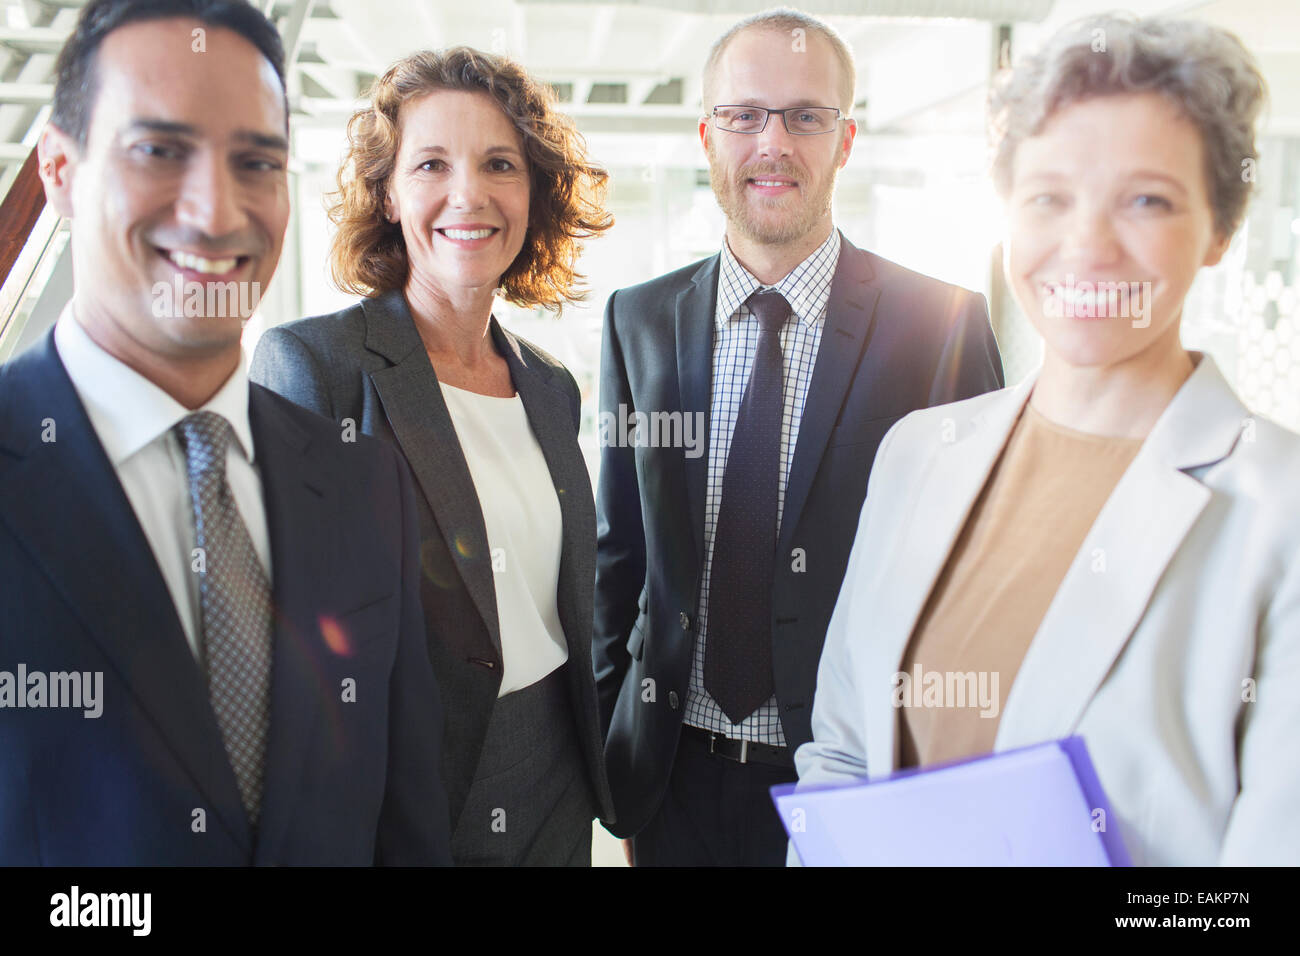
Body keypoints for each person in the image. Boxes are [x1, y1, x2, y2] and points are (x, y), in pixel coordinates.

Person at [796, 14, 1300, 865]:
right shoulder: (919, 454)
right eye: (1048, 197)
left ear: (1220, 230)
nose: (1087, 245)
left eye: (1147, 199)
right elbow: (841, 757)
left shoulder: (1277, 510)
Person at [0, 0, 451, 865]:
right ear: (59, 168)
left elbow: (406, 822)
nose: (215, 212)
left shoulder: (362, 483)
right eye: (160, 150)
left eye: (256, 161)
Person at [593, 7, 1005, 867]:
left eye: (805, 116)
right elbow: (617, 562)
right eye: (744, 115)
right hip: (676, 783)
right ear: (708, 135)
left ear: (844, 141)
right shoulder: (640, 318)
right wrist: (617, 755)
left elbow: (978, 591)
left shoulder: (943, 326)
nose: (772, 142)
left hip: (855, 785)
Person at [251, 47, 615, 866]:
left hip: (556, 771)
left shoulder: (550, 386)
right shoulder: (315, 367)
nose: (469, 195)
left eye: (499, 165)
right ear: (387, 193)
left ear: (535, 193)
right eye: (431, 165)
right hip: (412, 787)